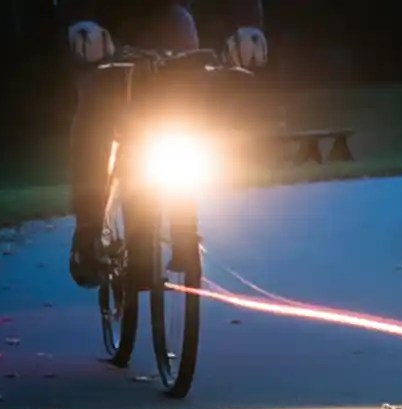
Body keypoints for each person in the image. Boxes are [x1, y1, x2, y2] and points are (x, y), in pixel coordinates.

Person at [57, 0, 266, 288]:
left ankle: (183, 215)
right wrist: (80, 21)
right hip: (105, 27)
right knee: (96, 106)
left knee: (191, 88)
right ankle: (88, 229)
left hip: (169, 22)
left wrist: (246, 26)